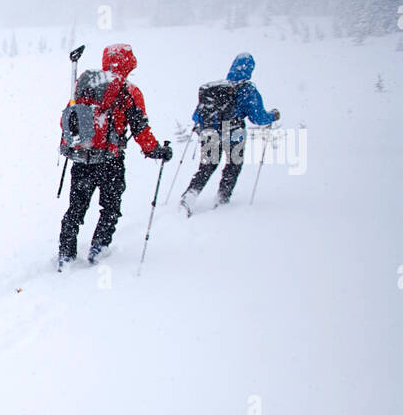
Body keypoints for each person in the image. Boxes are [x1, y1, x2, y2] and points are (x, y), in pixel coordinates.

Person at [58, 43, 173, 268]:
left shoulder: (85, 84)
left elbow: (67, 119)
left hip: (82, 158)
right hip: (111, 161)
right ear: (129, 63)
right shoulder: (128, 90)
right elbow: (140, 129)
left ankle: (65, 255)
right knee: (110, 208)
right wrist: (155, 151)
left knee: (76, 209)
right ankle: (97, 250)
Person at [181, 52, 279, 212]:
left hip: (210, 131)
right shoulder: (247, 90)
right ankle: (222, 199)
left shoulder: (216, 88)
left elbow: (196, 116)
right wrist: (273, 116)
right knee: (233, 165)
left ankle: (190, 196)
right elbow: (259, 118)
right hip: (233, 132)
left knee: (207, 166)